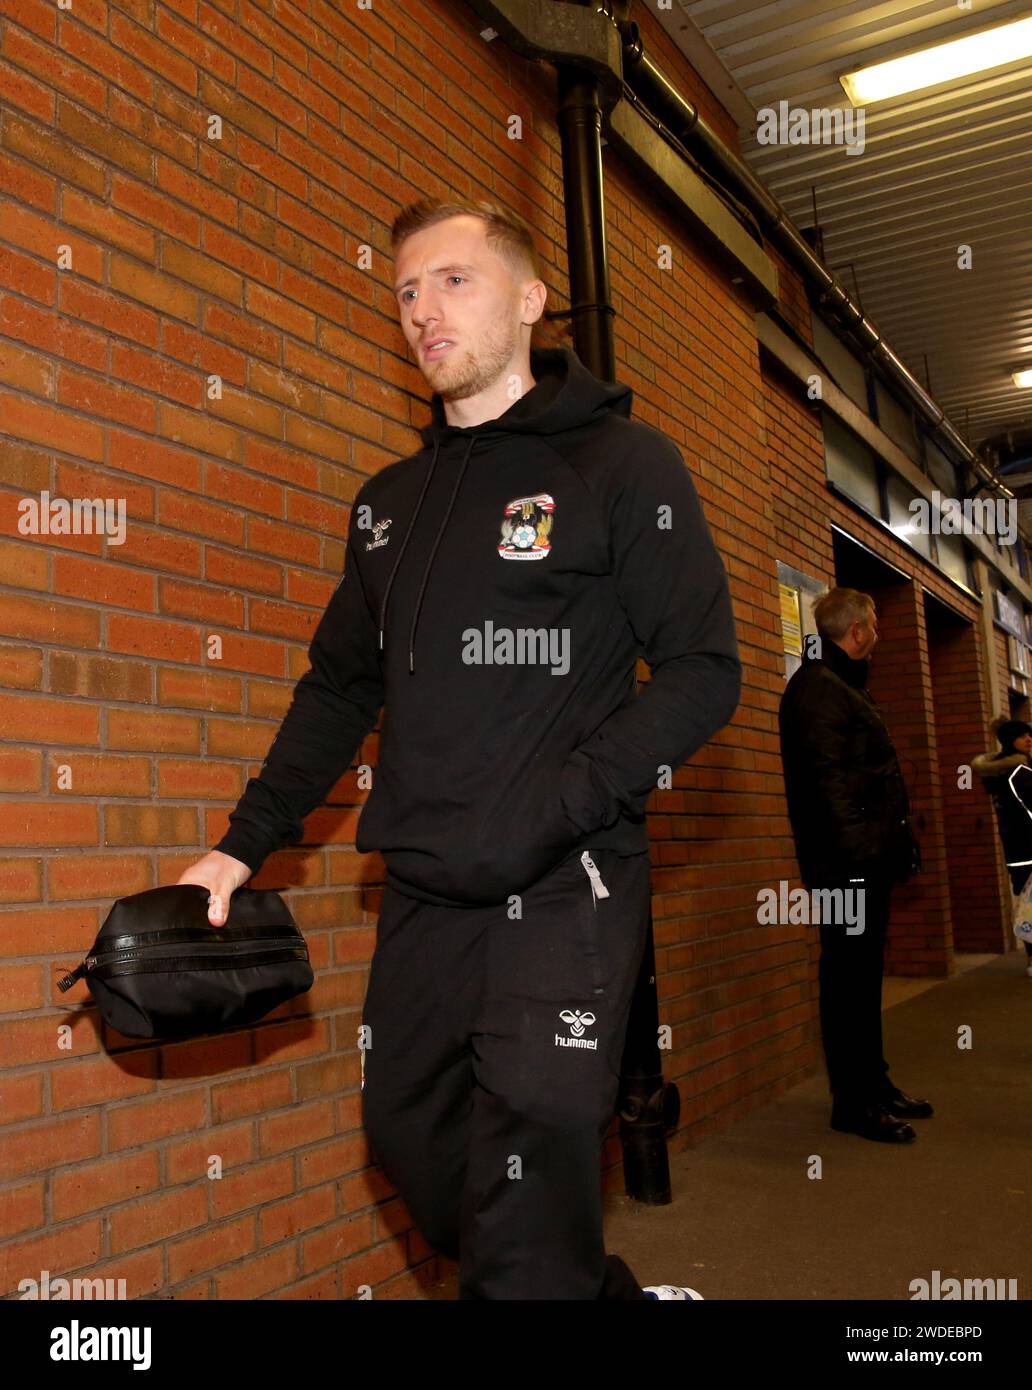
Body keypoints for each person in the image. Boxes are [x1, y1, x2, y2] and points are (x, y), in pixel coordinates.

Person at [176, 197, 741, 1299]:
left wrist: (572, 796)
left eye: (452, 281)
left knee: (527, 1162)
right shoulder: (389, 507)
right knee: (409, 1141)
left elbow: (704, 671)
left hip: (566, 879)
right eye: (403, 291)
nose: (422, 310)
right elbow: (339, 688)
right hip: (428, 892)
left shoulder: (623, 465)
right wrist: (241, 847)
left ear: (528, 301)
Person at [777, 587, 932, 1143]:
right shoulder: (820, 689)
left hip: (862, 859)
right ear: (858, 631)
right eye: (875, 625)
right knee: (847, 981)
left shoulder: (838, 684)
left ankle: (875, 1084)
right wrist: (863, 857)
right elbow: (830, 788)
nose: (879, 635)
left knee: (863, 981)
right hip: (847, 866)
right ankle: (853, 1104)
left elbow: (865, 782)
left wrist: (896, 842)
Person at [971, 717, 1032, 977]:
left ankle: (1031, 959)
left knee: (1027, 905)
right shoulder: (1019, 773)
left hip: (1016, 848)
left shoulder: (1001, 773)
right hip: (1028, 845)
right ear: (1010, 741)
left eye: (1029, 734)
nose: (1028, 739)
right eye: (1022, 736)